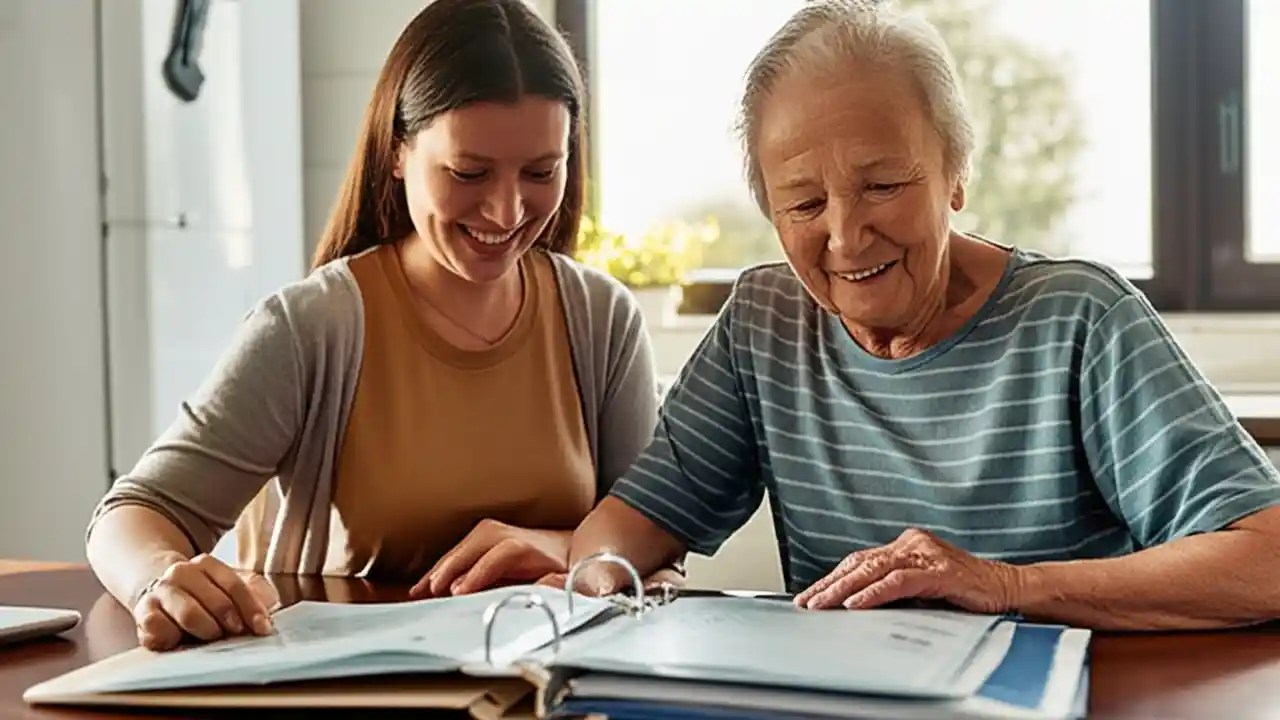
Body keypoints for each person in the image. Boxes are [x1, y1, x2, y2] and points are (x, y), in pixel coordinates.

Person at [558, 0, 1280, 630]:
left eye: (882, 185)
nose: (846, 237)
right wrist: (606, 581)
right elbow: (624, 533)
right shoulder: (763, 324)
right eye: (805, 204)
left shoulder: (1080, 321)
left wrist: (1005, 585)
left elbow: (1266, 556)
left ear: (956, 172)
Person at [85, 0, 665, 652]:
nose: (506, 210)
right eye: (468, 172)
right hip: (348, 686)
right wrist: (157, 578)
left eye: (541, 172)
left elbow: (657, 549)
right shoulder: (311, 327)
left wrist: (563, 548)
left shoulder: (601, 319)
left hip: (549, 684)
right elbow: (132, 514)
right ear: (397, 153)